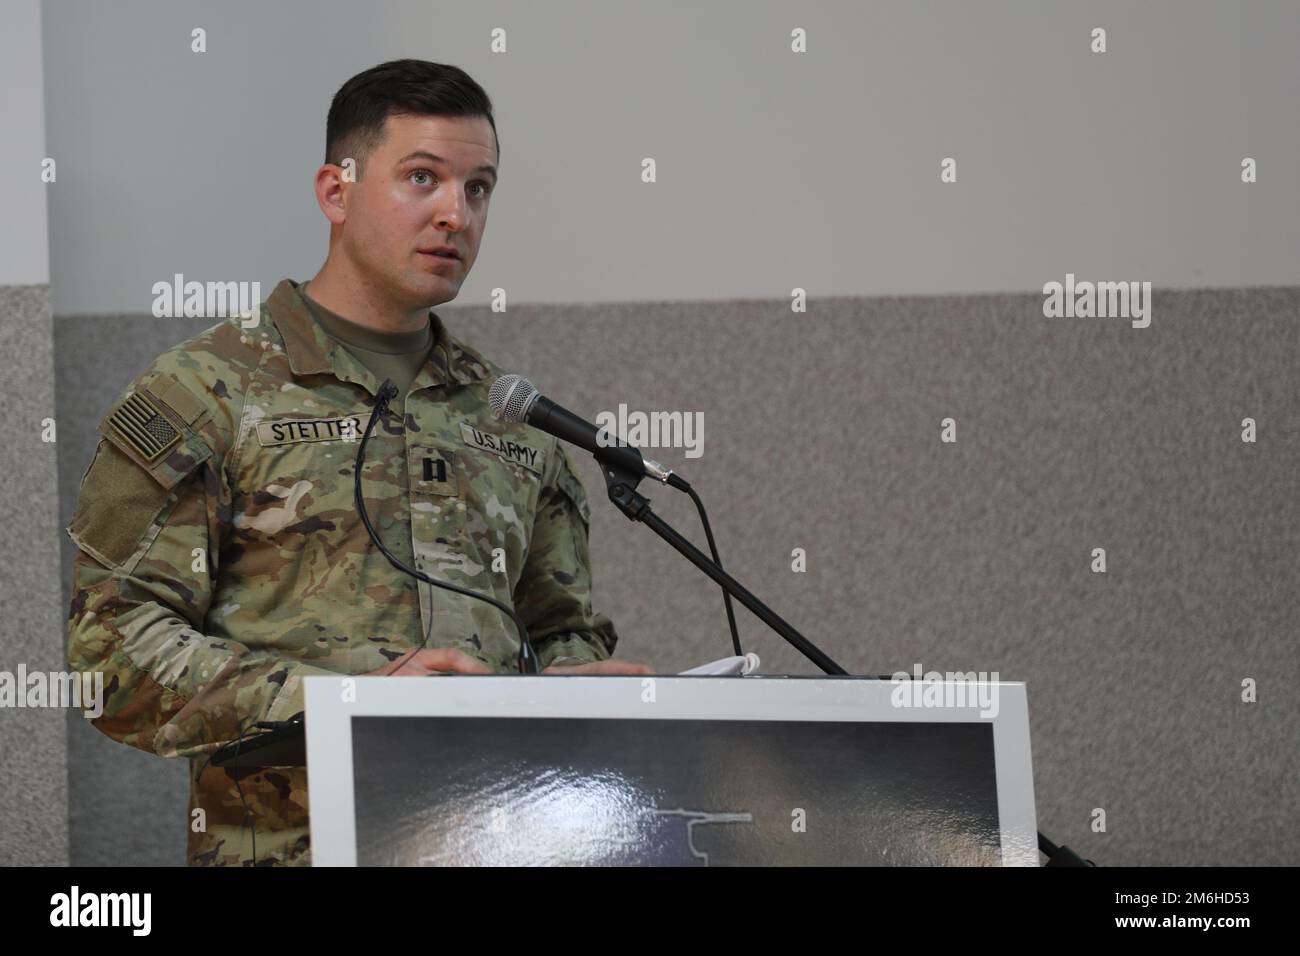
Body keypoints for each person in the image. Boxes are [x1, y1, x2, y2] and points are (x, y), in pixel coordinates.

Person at [65, 59, 652, 867]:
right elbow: (112, 649)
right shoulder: (207, 392)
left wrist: (573, 695)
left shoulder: (512, 417)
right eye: (423, 178)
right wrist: (339, 705)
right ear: (335, 193)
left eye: (479, 188)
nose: (456, 213)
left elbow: (559, 631)